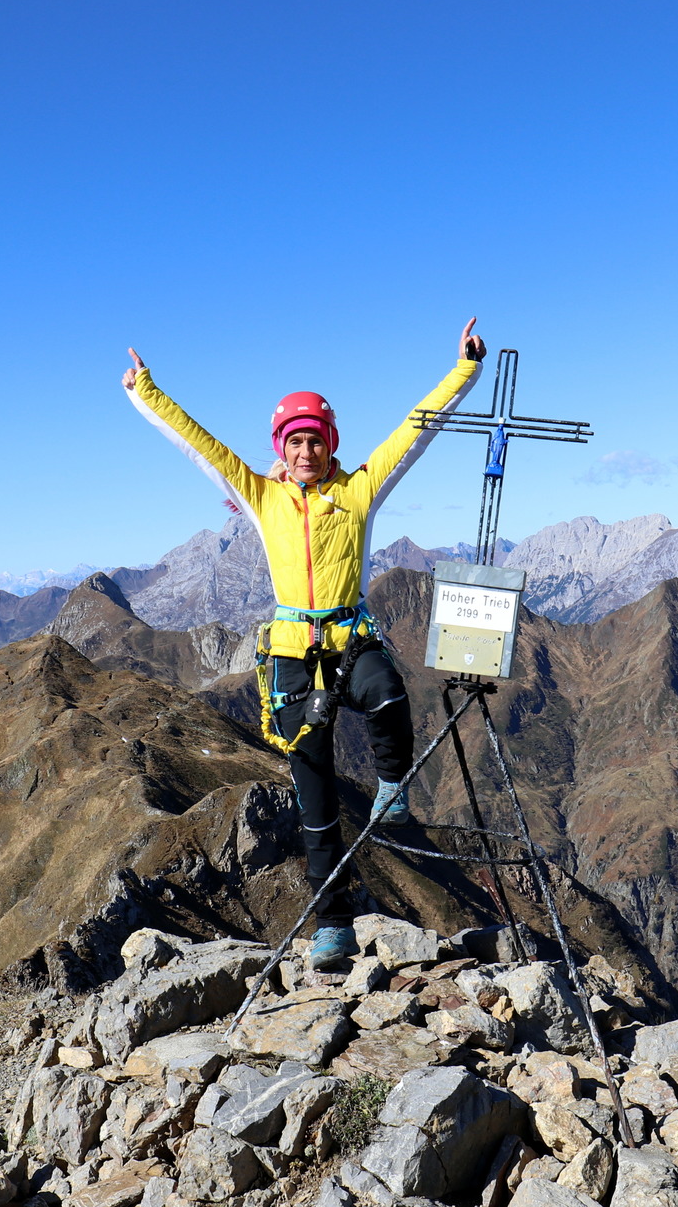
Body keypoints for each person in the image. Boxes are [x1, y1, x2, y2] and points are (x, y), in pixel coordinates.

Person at [122, 320, 487, 968]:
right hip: (292, 651)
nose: (305, 451)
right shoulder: (261, 498)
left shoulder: (358, 490)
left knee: (387, 693)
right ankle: (333, 925)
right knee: (313, 794)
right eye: (295, 442)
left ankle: (391, 787)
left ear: (330, 444)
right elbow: (200, 446)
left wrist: (463, 370)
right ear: (280, 448)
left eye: (314, 441)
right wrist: (146, 391)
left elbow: (415, 429)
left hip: (349, 637)